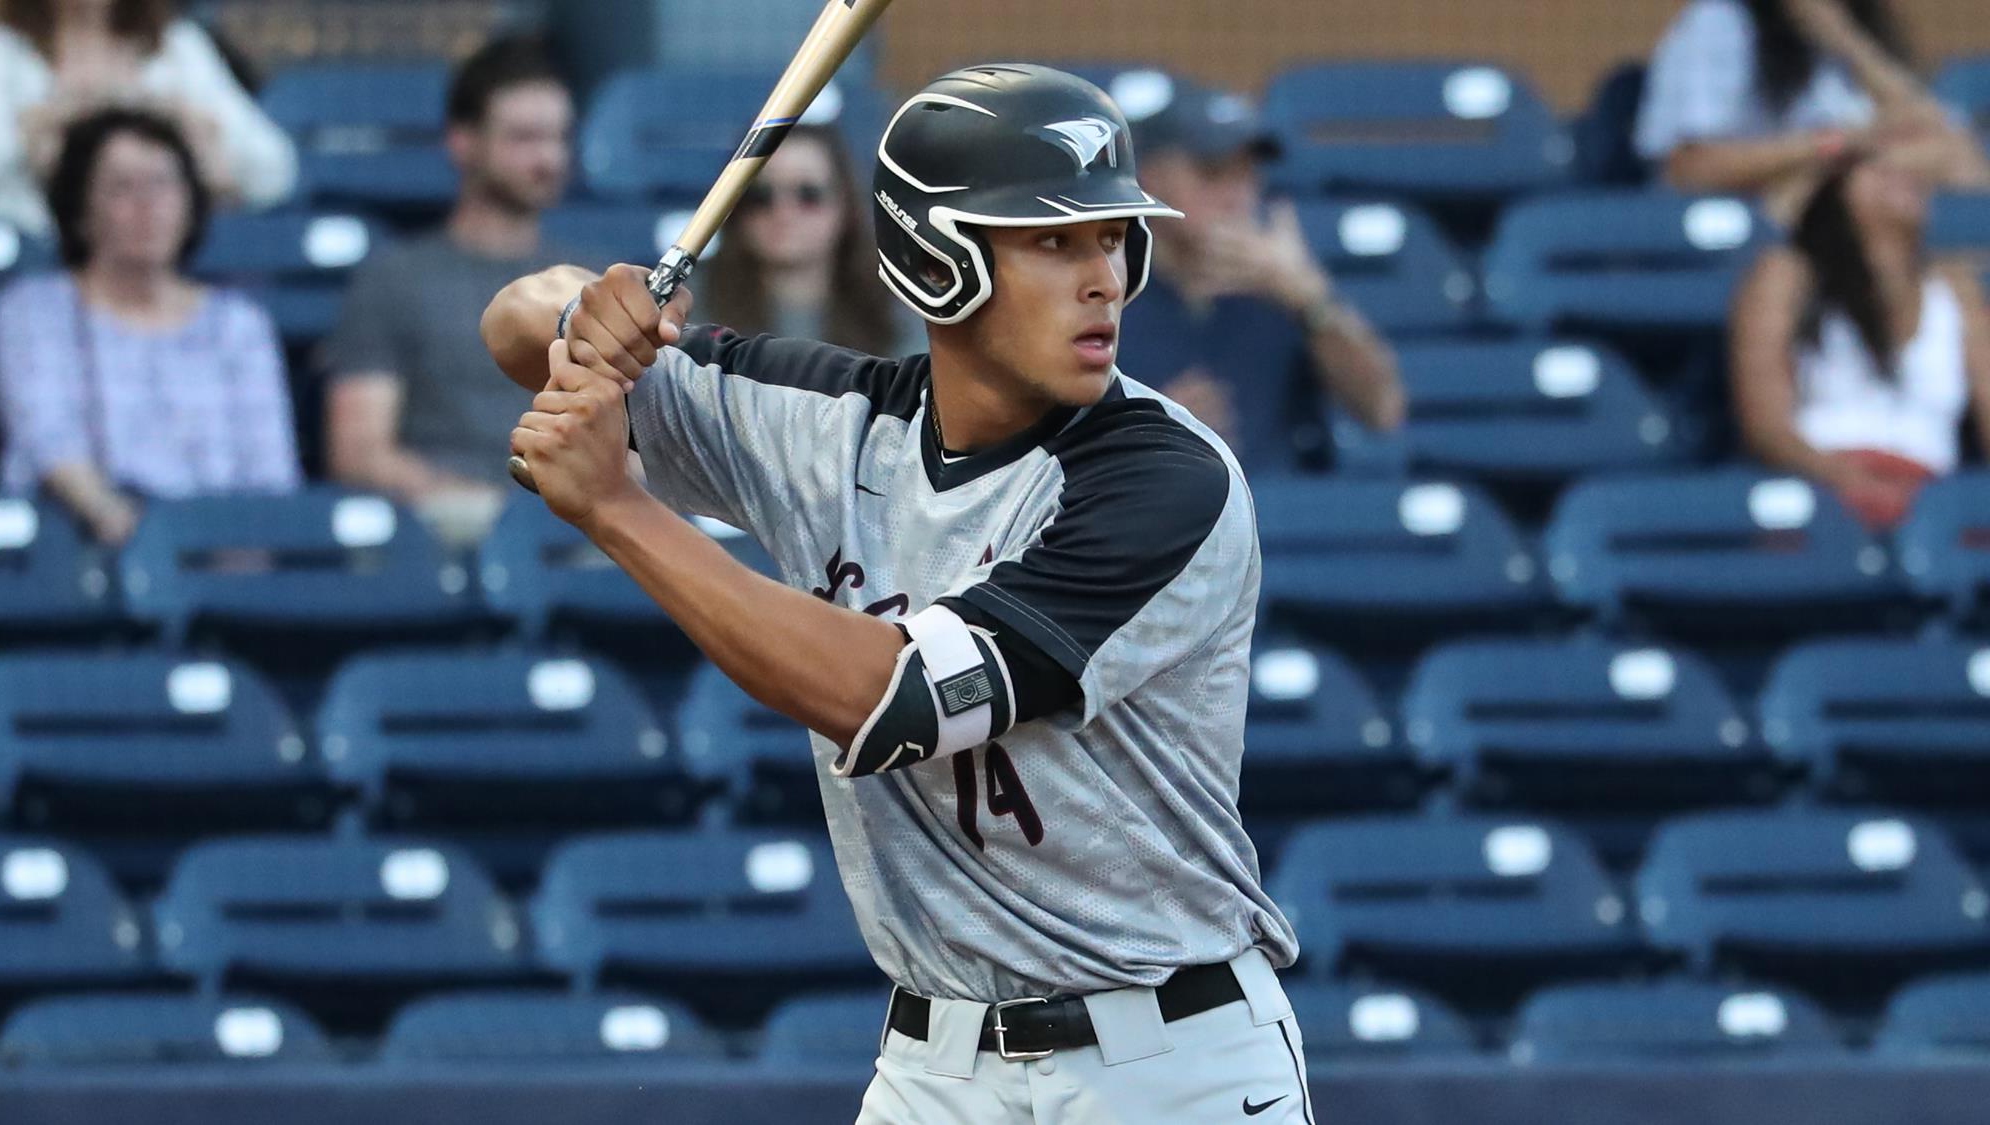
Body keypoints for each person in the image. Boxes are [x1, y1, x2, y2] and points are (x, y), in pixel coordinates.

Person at [483, 65, 1308, 1122]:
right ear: (934, 260)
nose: (1102, 275)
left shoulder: (1162, 479)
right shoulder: (833, 417)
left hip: (1165, 1060)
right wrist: (586, 312)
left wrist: (621, 513)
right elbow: (513, 330)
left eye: (1110, 236)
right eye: (1052, 242)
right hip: (937, 1061)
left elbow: (901, 702)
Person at [0, 107, 298, 544]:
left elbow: (270, 473)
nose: (147, 204)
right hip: (78, 548)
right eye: (121, 187)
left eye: (164, 183)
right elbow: (47, 437)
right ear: (80, 208)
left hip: (219, 554)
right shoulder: (31, 310)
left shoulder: (239, 325)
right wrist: (120, 523)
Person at [322, 36, 583, 546]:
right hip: (440, 525)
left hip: (574, 520)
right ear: (463, 142)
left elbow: (641, 442)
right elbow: (358, 451)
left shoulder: (590, 280)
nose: (549, 158)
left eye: (558, 137)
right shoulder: (394, 277)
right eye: (525, 138)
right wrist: (479, 508)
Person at [1117, 71, 1403, 473]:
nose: (1237, 196)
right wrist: (1142, 431)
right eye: (1213, 172)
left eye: (1248, 172)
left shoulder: (1285, 288)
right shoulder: (1106, 290)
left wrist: (1311, 300)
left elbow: (1382, 410)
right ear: (1152, 175)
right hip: (1145, 518)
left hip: (1280, 517)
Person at [1730, 157, 1990, 530]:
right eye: (1875, 168)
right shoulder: (1787, 274)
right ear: (1833, 193)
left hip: (1933, 503)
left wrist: (1922, 503)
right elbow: (1766, 424)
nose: (1900, 175)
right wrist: (1850, 482)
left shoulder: (1956, 289)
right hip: (1819, 490)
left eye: (1907, 172)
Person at [1637, 0, 1990, 220]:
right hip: (1749, 217)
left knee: (1952, 157)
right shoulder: (1719, 19)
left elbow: (1936, 125)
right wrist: (1830, 146)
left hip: (1842, 204)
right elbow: (1689, 169)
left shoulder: (1850, 27)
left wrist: (1844, 38)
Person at [0, 0, 297, 237]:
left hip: (169, 263)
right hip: (37, 254)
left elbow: (272, 172)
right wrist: (37, 131)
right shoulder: (1, 48)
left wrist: (188, 131)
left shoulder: (177, 45)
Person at [694, 122, 923, 358]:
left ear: (845, 204)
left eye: (808, 194)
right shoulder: (688, 304)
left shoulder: (901, 314)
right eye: (761, 195)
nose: (783, 212)